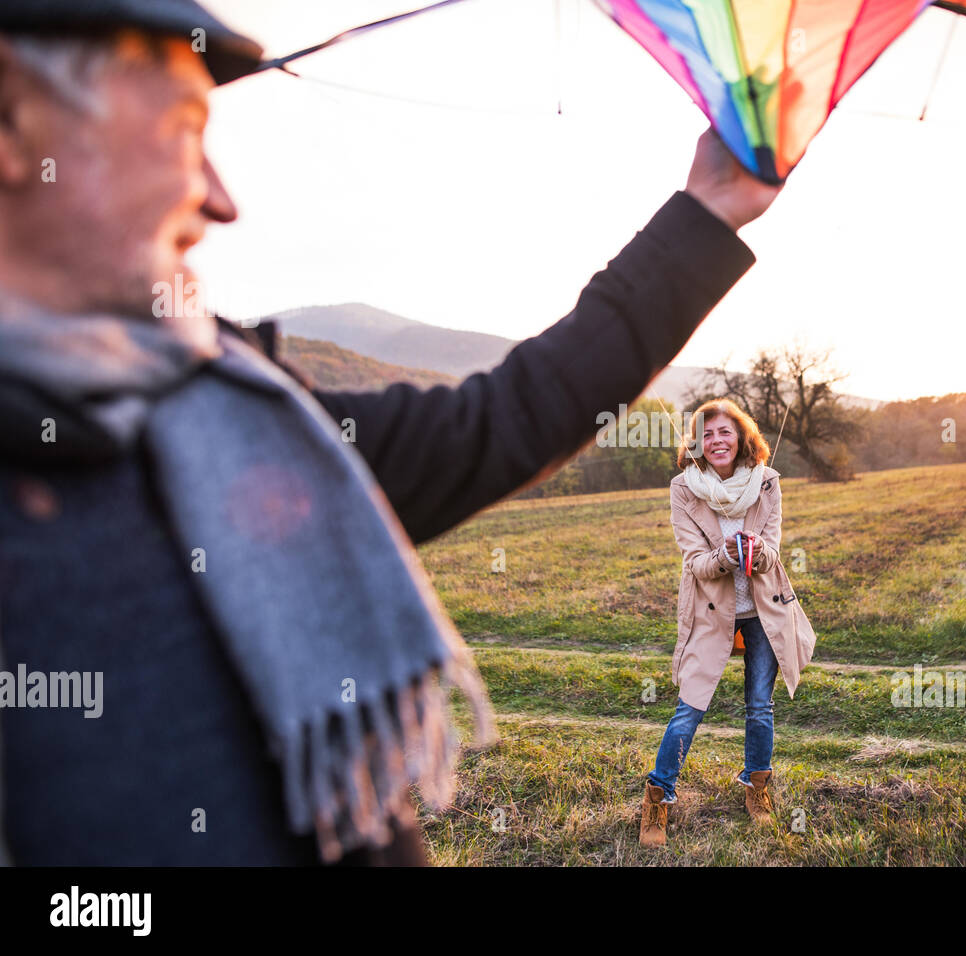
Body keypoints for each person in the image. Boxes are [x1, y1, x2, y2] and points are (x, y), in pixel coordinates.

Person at [0, 0, 784, 865]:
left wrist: (708, 212)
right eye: (184, 131)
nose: (221, 200)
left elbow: (505, 418)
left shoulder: (236, 407)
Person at [640, 398, 816, 847]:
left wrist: (758, 553)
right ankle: (657, 799)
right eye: (708, 434)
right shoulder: (684, 488)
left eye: (725, 432)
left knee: (760, 706)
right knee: (690, 707)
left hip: (763, 611)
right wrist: (725, 556)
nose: (717, 441)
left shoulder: (768, 482)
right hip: (710, 614)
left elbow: (773, 551)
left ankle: (757, 789)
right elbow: (695, 562)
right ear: (697, 442)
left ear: (741, 438)